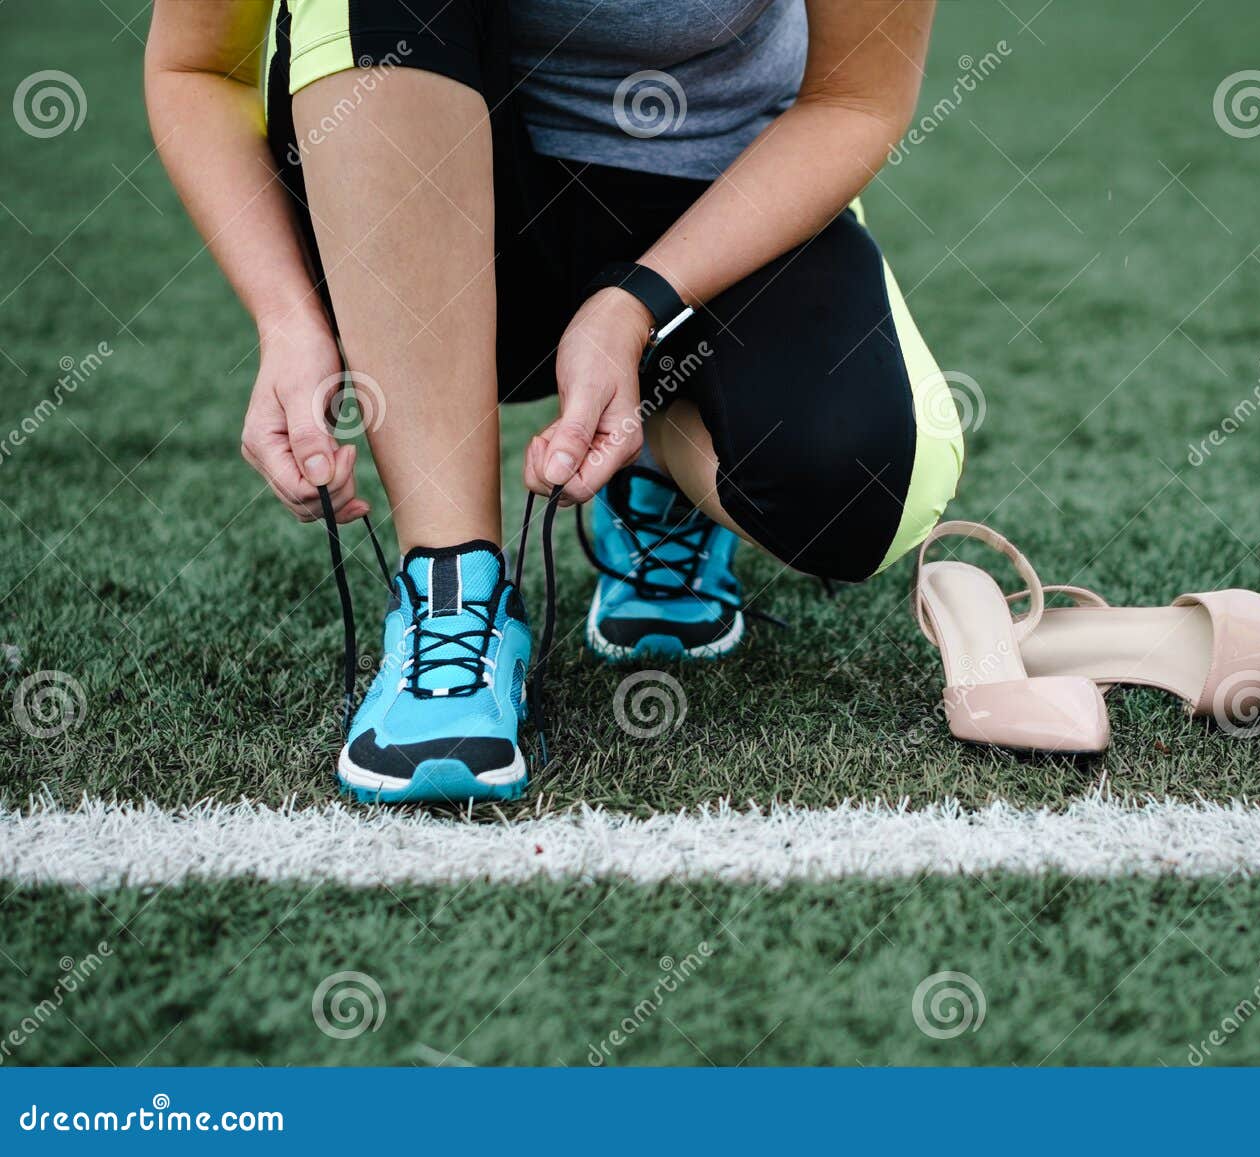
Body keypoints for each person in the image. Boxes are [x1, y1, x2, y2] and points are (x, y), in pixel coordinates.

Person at [145, 0, 963, 802]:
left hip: (718, 200)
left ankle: (655, 449)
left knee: (860, 490)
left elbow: (854, 99)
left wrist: (637, 306)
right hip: (427, 192)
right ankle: (453, 587)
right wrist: (285, 317)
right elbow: (196, 65)